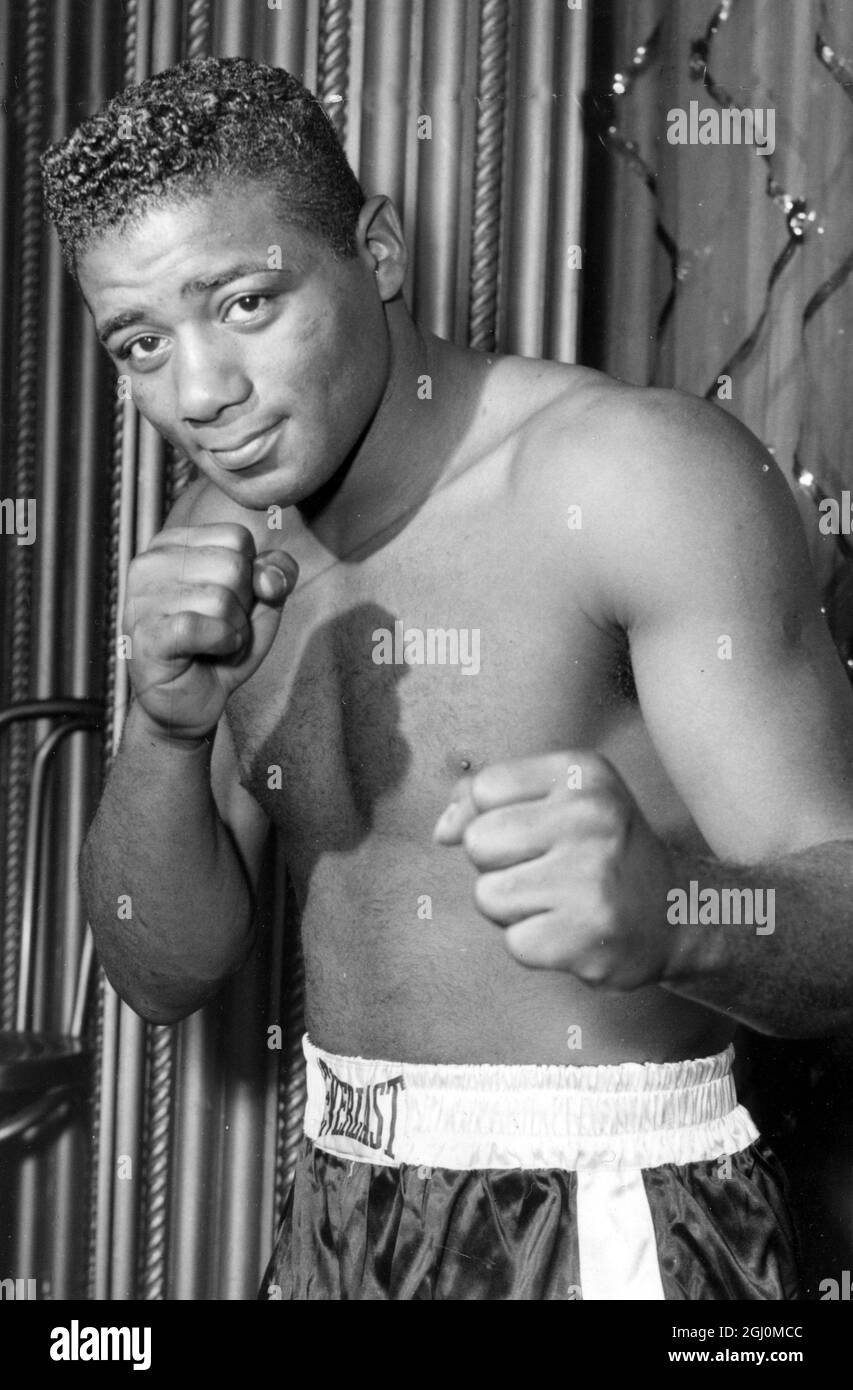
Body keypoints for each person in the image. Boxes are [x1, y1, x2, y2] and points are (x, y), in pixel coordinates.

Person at [41, 56, 853, 1301]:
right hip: (333, 1200)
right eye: (142, 342)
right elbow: (161, 974)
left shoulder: (630, 476)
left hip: (606, 1210)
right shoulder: (224, 528)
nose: (199, 393)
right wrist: (159, 729)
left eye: (247, 302)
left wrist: (677, 915)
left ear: (380, 250)